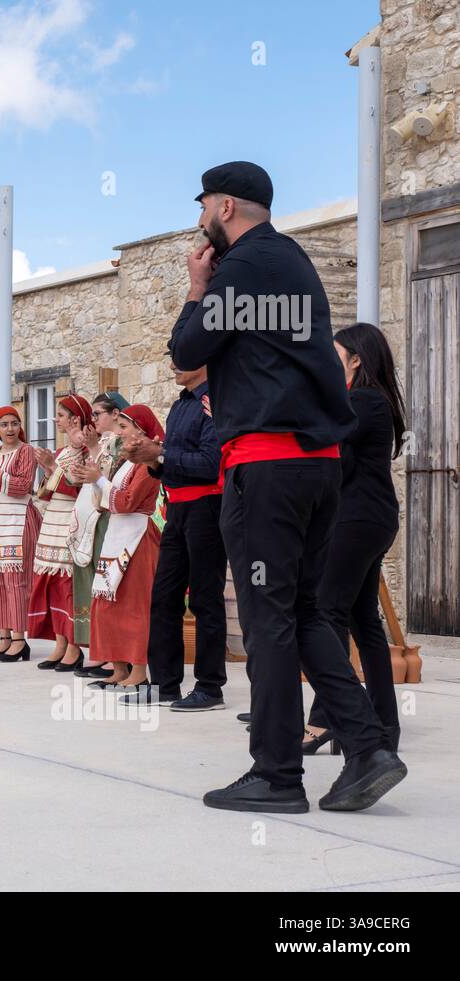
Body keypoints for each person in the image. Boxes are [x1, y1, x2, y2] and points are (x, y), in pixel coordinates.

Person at [170, 160, 404, 813]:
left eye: (202, 209)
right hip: (316, 467)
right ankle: (367, 747)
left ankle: (277, 774)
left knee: (270, 618)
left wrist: (196, 286)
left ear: (223, 205)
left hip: (267, 467)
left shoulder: (241, 268)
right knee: (300, 611)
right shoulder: (294, 263)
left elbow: (187, 350)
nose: (199, 222)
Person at [303, 323, 406, 755]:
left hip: (357, 519)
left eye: (336, 352)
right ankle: (383, 725)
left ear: (356, 358)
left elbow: (326, 449)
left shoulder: (361, 401)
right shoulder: (370, 401)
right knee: (362, 620)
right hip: (369, 518)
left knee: (326, 614)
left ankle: (328, 719)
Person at [125, 361, 229, 711]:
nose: (172, 364)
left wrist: (161, 454)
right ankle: (166, 683)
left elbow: (213, 463)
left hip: (207, 508)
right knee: (164, 597)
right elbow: (170, 463)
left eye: (180, 357)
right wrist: (152, 460)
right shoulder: (181, 403)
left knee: (205, 599)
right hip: (179, 510)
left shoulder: (214, 400)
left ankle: (210, 686)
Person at [77, 405, 165, 692]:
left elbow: (127, 501)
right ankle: (117, 666)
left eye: (125, 427)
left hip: (137, 537)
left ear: (141, 430)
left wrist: (98, 480)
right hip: (118, 533)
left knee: (133, 605)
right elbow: (109, 498)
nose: (120, 432)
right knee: (107, 602)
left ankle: (139, 669)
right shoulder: (127, 462)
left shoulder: (146, 464)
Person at [29, 394, 91, 670]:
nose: (57, 419)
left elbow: (79, 488)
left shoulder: (85, 450)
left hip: (69, 516)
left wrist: (52, 467)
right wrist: (47, 467)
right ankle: (60, 643)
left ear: (75, 418)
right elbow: (49, 488)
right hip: (53, 516)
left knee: (68, 585)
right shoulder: (64, 450)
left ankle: (74, 646)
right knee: (52, 582)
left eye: (62, 415)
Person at [69, 391, 127, 677]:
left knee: (105, 582)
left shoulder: (121, 442)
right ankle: (95, 646)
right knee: (88, 581)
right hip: (91, 515)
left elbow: (110, 477)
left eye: (97, 414)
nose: (92, 420)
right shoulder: (102, 442)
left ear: (115, 414)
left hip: (109, 516)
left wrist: (92, 451)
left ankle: (110, 651)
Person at [0, 406, 39, 662]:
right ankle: (3, 636)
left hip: (19, 517)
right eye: (4, 425)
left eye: (14, 423)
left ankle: (19, 638)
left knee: (16, 581)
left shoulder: (26, 451)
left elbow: (22, 486)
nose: (10, 429)